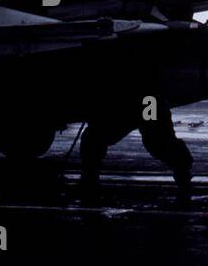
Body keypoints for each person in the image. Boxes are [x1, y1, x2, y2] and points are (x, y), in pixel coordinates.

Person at [80, 50, 193, 200]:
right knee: (95, 137)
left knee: (157, 140)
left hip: (140, 101)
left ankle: (89, 181)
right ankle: (183, 175)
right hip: (139, 101)